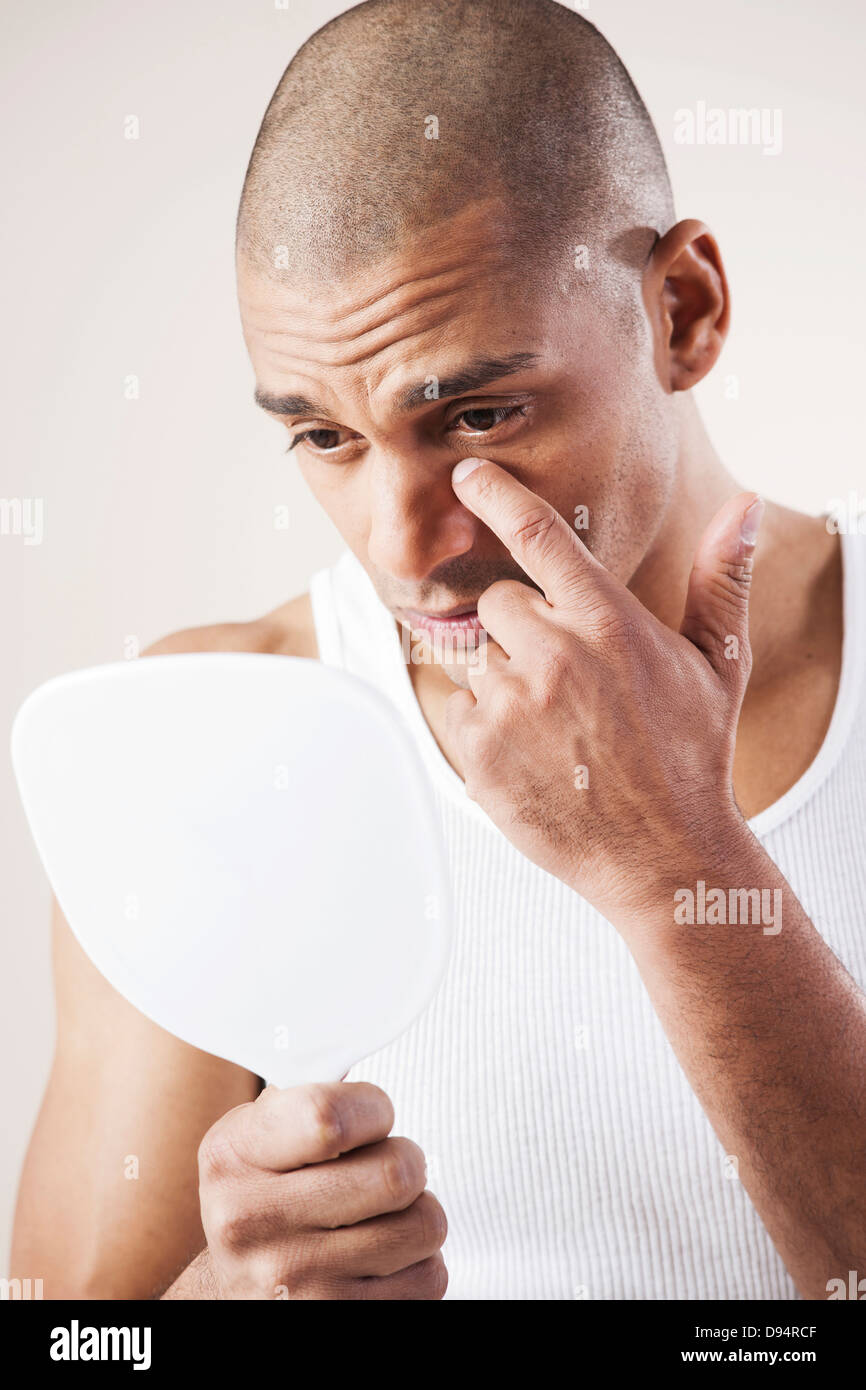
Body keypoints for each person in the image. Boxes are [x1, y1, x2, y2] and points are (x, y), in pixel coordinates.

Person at [11, 0, 866, 1301]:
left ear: (680, 312)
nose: (403, 551)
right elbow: (76, 1344)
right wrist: (221, 1305)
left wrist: (674, 853)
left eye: (475, 412)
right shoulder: (214, 737)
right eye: (323, 436)